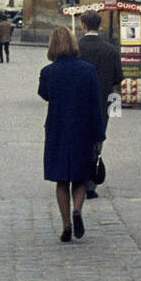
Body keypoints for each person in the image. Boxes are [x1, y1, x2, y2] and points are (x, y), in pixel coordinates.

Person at [38, 25, 105, 242]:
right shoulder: (87, 70)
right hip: (82, 129)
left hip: (57, 129)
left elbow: (44, 94)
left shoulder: (48, 72)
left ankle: (66, 224)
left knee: (60, 180)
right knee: (80, 176)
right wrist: (98, 136)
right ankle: (77, 209)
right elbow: (96, 104)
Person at [76, 11, 123, 198]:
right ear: (99, 26)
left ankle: (78, 179)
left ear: (83, 25)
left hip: (79, 102)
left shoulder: (76, 47)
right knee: (97, 139)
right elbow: (118, 78)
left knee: (79, 139)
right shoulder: (111, 50)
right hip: (103, 101)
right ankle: (91, 183)